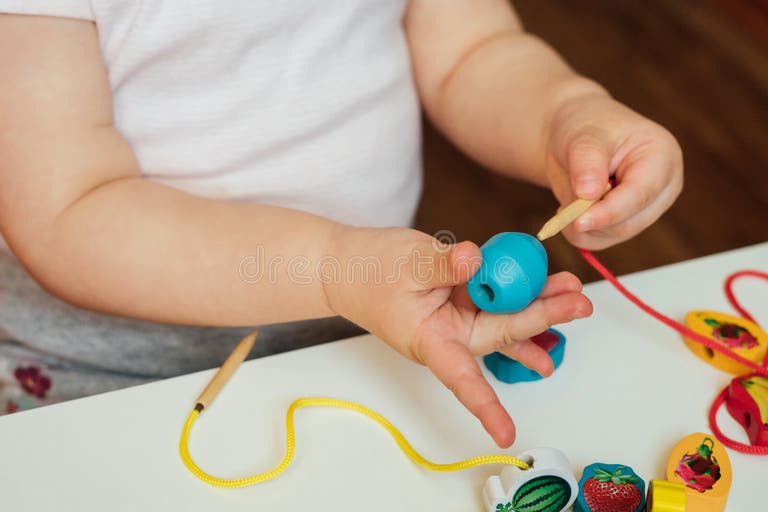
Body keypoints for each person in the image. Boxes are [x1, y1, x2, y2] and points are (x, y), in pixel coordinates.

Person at [0, 1, 682, 447]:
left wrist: (567, 114)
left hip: (364, 323)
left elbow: (469, 50)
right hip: (106, 375)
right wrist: (331, 266)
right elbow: (70, 209)